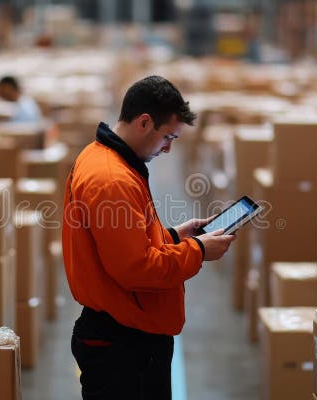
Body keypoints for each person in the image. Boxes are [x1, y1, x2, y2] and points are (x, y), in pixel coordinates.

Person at [62, 75, 237, 400]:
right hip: (124, 342)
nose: (169, 148)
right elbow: (136, 269)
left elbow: (122, 241)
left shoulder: (101, 156)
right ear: (145, 122)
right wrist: (198, 250)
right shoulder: (113, 179)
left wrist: (173, 236)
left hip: (123, 330)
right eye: (168, 136)